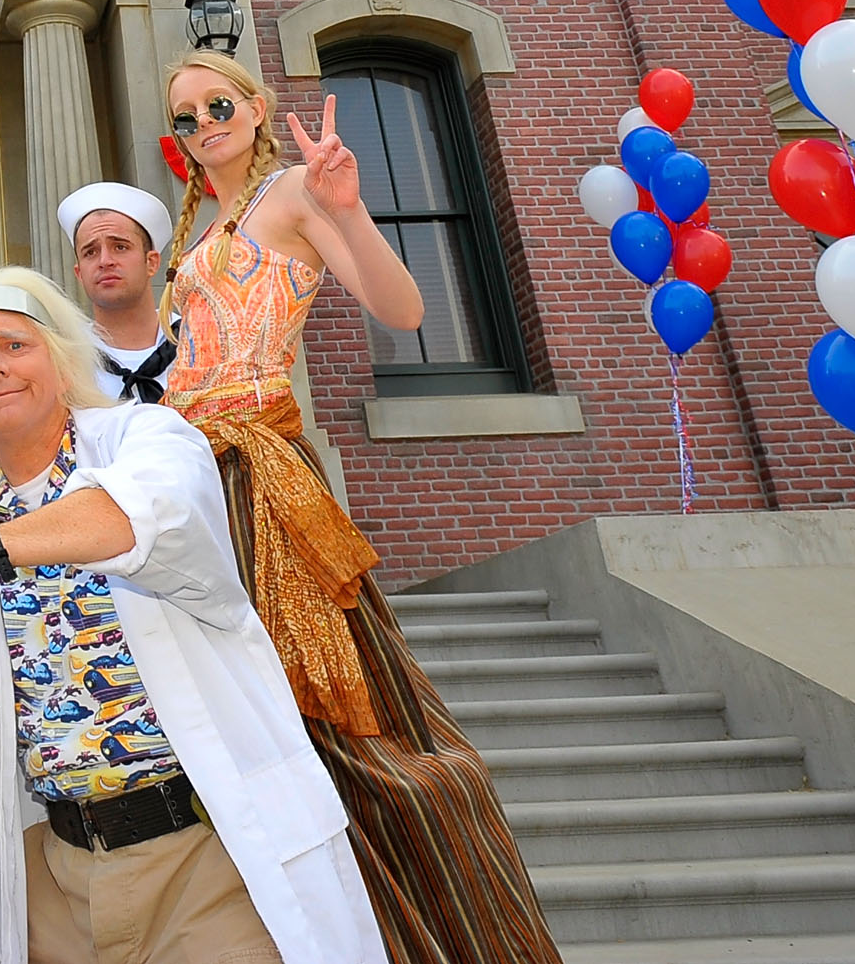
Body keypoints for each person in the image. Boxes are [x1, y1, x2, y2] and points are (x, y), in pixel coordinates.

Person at [159, 49, 561, 964]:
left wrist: (348, 208)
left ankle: (395, 917)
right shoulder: (203, 223)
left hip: (263, 478)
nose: (204, 124)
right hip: (198, 474)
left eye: (217, 104)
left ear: (257, 108)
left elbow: (405, 307)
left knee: (319, 702)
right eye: (185, 118)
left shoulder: (295, 191)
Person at [0, 268, 384, 964]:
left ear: (61, 361)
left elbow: (141, 517)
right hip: (53, 884)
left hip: (204, 863)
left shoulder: (147, 438)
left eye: (14, 344)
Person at [55, 183, 177, 406]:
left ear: (151, 262)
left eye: (120, 247)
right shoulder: (64, 360)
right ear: (79, 273)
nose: (105, 261)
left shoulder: (197, 341)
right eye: (90, 252)